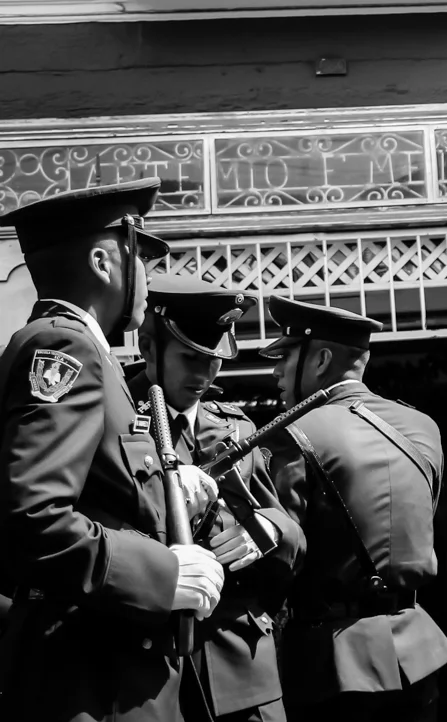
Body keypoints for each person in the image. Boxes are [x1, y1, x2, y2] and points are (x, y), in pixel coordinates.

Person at [0, 179, 226, 722]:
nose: (147, 278)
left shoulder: (80, 350)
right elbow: (33, 517)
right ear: (104, 262)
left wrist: (171, 488)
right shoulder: (65, 346)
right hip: (92, 681)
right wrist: (161, 575)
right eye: (140, 257)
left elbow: (96, 489)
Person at [259, 297, 447, 722]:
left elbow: (279, 557)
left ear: (321, 359)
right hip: (417, 651)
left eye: (286, 355)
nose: (275, 370)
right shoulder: (423, 426)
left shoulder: (292, 435)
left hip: (331, 660)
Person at [127, 275, 305, 722]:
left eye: (214, 359)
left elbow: (292, 534)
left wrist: (264, 531)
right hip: (140, 673)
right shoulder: (115, 420)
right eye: (191, 357)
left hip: (239, 670)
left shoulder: (235, 428)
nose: (205, 374)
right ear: (148, 347)